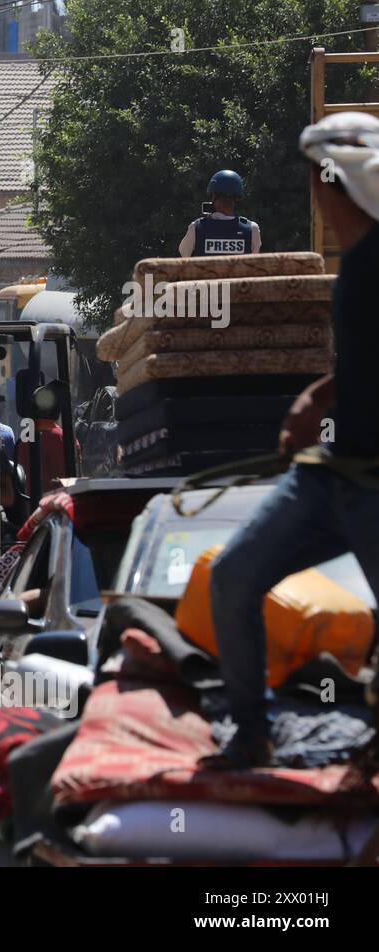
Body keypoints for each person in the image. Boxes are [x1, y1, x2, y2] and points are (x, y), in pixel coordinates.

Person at [206, 113, 379, 769]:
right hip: (331, 475)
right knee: (232, 576)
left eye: (316, 176)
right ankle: (252, 733)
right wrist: (317, 398)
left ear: (328, 180)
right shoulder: (356, 264)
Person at [179, 169, 262, 258]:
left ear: (214, 196)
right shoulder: (252, 229)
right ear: (237, 198)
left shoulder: (196, 228)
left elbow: (184, 254)